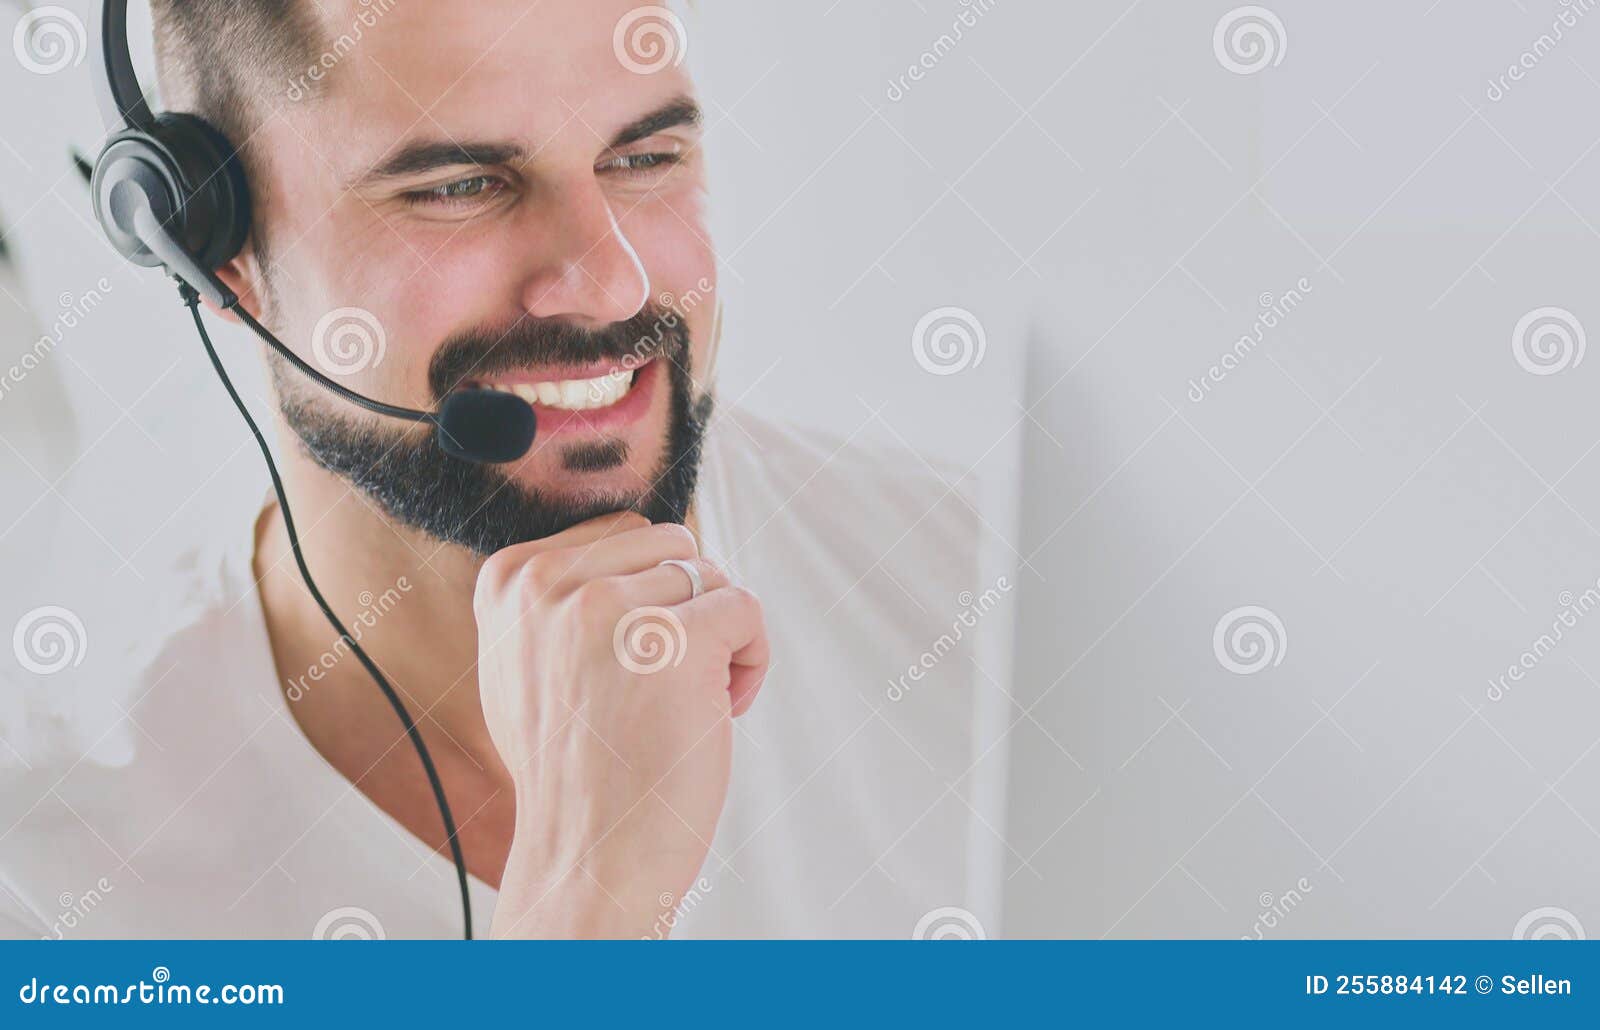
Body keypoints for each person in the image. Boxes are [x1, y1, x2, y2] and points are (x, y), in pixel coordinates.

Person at [0, 0, 1003, 939]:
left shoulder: (990, 598)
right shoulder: (51, 892)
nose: (609, 282)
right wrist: (584, 905)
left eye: (644, 157)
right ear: (211, 249)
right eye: (459, 186)